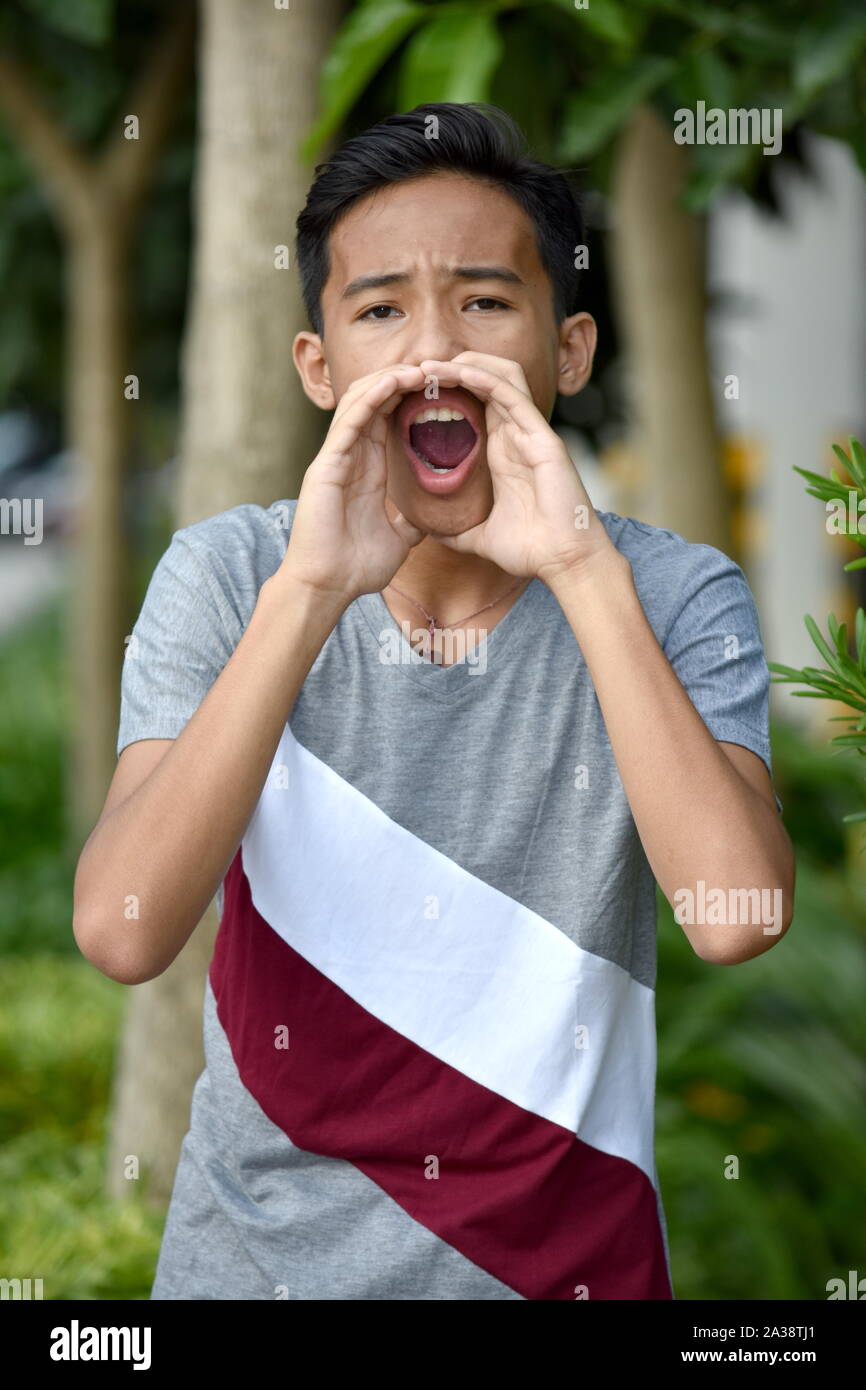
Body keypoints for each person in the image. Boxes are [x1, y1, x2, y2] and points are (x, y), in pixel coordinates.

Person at [73, 102, 795, 1301]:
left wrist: (577, 570)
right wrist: (309, 593)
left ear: (567, 351)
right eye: (378, 310)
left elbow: (734, 915)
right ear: (319, 367)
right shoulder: (230, 578)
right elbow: (123, 928)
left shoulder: (667, 591)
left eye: (482, 300)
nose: (431, 353)